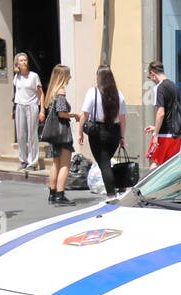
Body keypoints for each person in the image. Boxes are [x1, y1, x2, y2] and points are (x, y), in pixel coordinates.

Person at [80, 65, 127, 202]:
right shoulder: (119, 95)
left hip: (98, 132)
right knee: (106, 163)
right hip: (115, 131)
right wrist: (122, 136)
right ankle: (115, 189)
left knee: (104, 164)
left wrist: (80, 133)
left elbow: (84, 115)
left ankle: (111, 194)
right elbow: (123, 119)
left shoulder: (92, 92)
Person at [40, 64, 79, 205]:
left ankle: (52, 193)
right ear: (63, 77)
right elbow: (61, 113)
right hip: (62, 133)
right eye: (68, 75)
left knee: (55, 164)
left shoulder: (52, 92)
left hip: (54, 134)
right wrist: (74, 115)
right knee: (65, 165)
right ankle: (60, 195)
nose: (70, 77)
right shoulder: (61, 92)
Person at [144, 61, 181, 165]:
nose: (152, 80)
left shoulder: (159, 87)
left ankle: (151, 182)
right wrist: (156, 127)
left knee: (154, 162)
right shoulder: (174, 86)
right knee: (169, 166)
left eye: (150, 77)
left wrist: (155, 134)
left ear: (152, 73)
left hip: (164, 135)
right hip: (176, 135)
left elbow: (161, 113)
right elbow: (172, 111)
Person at [11, 52, 43, 171]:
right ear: (17, 63)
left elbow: (41, 93)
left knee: (32, 135)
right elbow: (16, 94)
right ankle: (23, 160)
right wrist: (13, 109)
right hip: (20, 106)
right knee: (20, 135)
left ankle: (33, 162)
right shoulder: (16, 77)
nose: (24, 62)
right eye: (21, 60)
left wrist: (42, 110)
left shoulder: (34, 76)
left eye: (25, 60)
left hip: (31, 106)